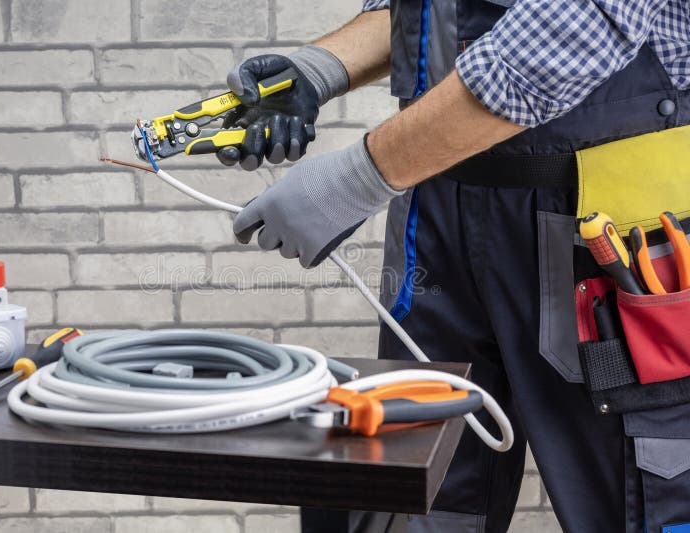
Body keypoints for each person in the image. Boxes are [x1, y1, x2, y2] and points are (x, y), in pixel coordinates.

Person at [218, 1, 690, 532]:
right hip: (439, 218)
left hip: (609, 239)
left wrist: (357, 179)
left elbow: (576, 27)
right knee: (421, 494)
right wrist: (318, 68)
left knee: (647, 501)